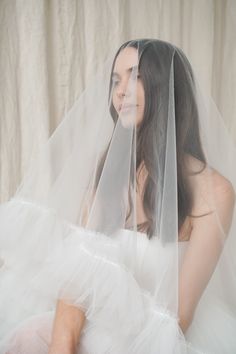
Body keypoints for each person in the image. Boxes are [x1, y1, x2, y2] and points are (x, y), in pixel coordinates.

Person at [0, 39, 236, 354]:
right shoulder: (108, 174)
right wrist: (63, 344)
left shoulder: (214, 191)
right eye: (115, 81)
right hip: (92, 326)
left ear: (167, 88)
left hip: (159, 339)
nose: (119, 91)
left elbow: (178, 319)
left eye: (134, 76)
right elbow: (77, 278)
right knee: (29, 338)